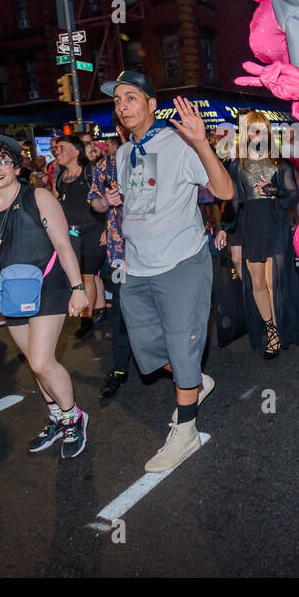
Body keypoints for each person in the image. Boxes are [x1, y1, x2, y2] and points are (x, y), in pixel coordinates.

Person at [99, 72, 234, 472]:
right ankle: (193, 378)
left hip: (180, 263)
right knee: (148, 353)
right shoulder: (124, 153)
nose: (122, 106)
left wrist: (201, 143)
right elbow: (142, 195)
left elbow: (224, 191)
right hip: (137, 267)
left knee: (180, 344)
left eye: (130, 97)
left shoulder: (178, 144)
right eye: (118, 100)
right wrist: (116, 200)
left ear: (150, 104)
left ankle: (186, 432)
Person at [0, 135, 90, 458]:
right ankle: (57, 417)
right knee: (37, 367)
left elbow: (64, 245)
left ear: (15, 166)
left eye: (2, 161)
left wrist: (78, 289)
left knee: (41, 360)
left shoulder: (38, 197)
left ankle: (74, 417)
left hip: (50, 286)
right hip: (12, 291)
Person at [227, 111, 299, 358]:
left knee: (274, 284)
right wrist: (225, 229)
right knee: (258, 284)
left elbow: (293, 196)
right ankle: (271, 327)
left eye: (261, 129)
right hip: (250, 226)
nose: (257, 134)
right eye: (253, 130)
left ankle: (278, 333)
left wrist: (274, 189)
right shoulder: (236, 165)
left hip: (275, 225)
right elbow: (232, 202)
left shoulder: (279, 164)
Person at [88, 118, 131, 401]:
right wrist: (108, 201)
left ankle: (173, 365)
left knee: (156, 309)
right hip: (119, 252)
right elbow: (96, 203)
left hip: (153, 251)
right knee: (120, 313)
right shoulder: (106, 166)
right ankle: (119, 369)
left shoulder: (149, 159)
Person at [52, 134, 106, 339]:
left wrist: (108, 229)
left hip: (94, 230)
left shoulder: (91, 173)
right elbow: (57, 205)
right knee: (79, 275)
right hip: (71, 233)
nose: (57, 151)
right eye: (56, 148)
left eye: (62, 147)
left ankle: (86, 320)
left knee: (87, 276)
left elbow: (109, 200)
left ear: (76, 152)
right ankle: (97, 310)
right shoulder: (60, 178)